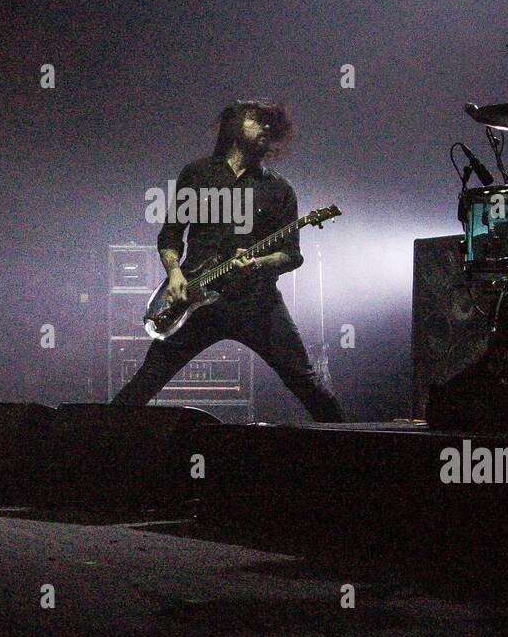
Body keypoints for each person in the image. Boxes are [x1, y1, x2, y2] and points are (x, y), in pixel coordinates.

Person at [111, 100, 345, 422]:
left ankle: (354, 450)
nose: (266, 128)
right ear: (234, 127)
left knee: (305, 381)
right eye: (257, 121)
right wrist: (175, 274)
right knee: (144, 382)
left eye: (269, 124)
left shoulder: (279, 189)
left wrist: (259, 263)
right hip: (195, 299)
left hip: (256, 304)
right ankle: (98, 440)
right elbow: (170, 236)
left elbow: (292, 255)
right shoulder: (196, 174)